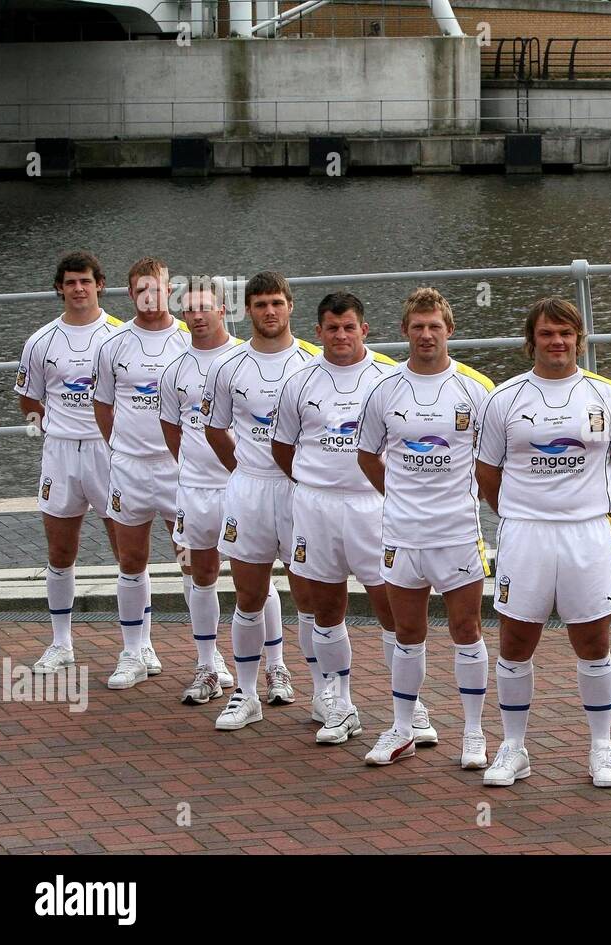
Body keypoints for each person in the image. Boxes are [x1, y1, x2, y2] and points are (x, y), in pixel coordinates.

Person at [475, 298, 611, 788]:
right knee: (515, 640)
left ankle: (601, 746)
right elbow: (487, 473)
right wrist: (519, 513)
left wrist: (599, 514)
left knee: (593, 641)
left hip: (586, 533)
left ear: (579, 340)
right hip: (525, 532)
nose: (557, 342)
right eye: (547, 333)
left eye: (566, 333)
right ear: (531, 341)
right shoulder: (504, 398)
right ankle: (513, 747)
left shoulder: (608, 396)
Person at [355, 288, 495, 768]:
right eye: (418, 327)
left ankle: (474, 734)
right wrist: (398, 496)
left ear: (449, 330)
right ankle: (403, 729)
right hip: (401, 534)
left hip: (457, 533)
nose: (426, 335)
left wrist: (467, 497)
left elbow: (492, 460)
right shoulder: (385, 389)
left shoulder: (476, 390)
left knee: (466, 629)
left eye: (435, 326)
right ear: (405, 332)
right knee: (407, 631)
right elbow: (366, 455)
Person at [271, 292, 399, 746]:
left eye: (349, 327)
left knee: (392, 607)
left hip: (372, 507)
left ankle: (408, 709)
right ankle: (339, 704)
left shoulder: (389, 379)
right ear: (319, 331)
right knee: (324, 608)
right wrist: (317, 482)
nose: (340, 335)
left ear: (364, 329)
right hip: (316, 506)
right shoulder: (299, 381)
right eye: (332, 328)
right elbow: (282, 447)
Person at [203, 271, 320, 730]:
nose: (269, 312)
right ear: (247, 310)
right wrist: (245, 471)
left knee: (310, 597)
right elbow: (215, 428)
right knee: (249, 595)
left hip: (297, 491)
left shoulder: (313, 364)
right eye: (260, 304)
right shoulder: (227, 366)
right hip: (249, 490)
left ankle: (325, 694)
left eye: (277, 303)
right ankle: (246, 694)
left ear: (290, 306)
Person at [16, 251, 122, 675]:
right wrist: (48, 433)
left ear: (100, 285)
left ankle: (141, 647)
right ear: (60, 288)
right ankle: (61, 643)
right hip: (60, 453)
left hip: (108, 452)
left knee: (128, 552)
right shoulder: (40, 340)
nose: (79, 289)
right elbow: (29, 399)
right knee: (60, 551)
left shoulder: (119, 337)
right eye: (71, 282)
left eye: (86, 281)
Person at [92, 258, 190, 689]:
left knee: (193, 562)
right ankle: (135, 651)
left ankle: (208, 658)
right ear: (130, 294)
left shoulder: (188, 341)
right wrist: (122, 449)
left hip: (178, 470)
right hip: (129, 469)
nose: (150, 296)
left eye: (157, 288)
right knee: (131, 561)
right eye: (141, 289)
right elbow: (102, 405)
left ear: (170, 291)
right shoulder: (113, 345)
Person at [158, 278, 242, 704]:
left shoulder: (244, 359)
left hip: (241, 488)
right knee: (200, 574)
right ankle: (207, 667)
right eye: (189, 309)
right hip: (195, 490)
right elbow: (171, 431)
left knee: (254, 580)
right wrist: (194, 469)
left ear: (223, 310)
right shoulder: (175, 369)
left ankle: (274, 670)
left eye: (204, 307)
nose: (196, 316)